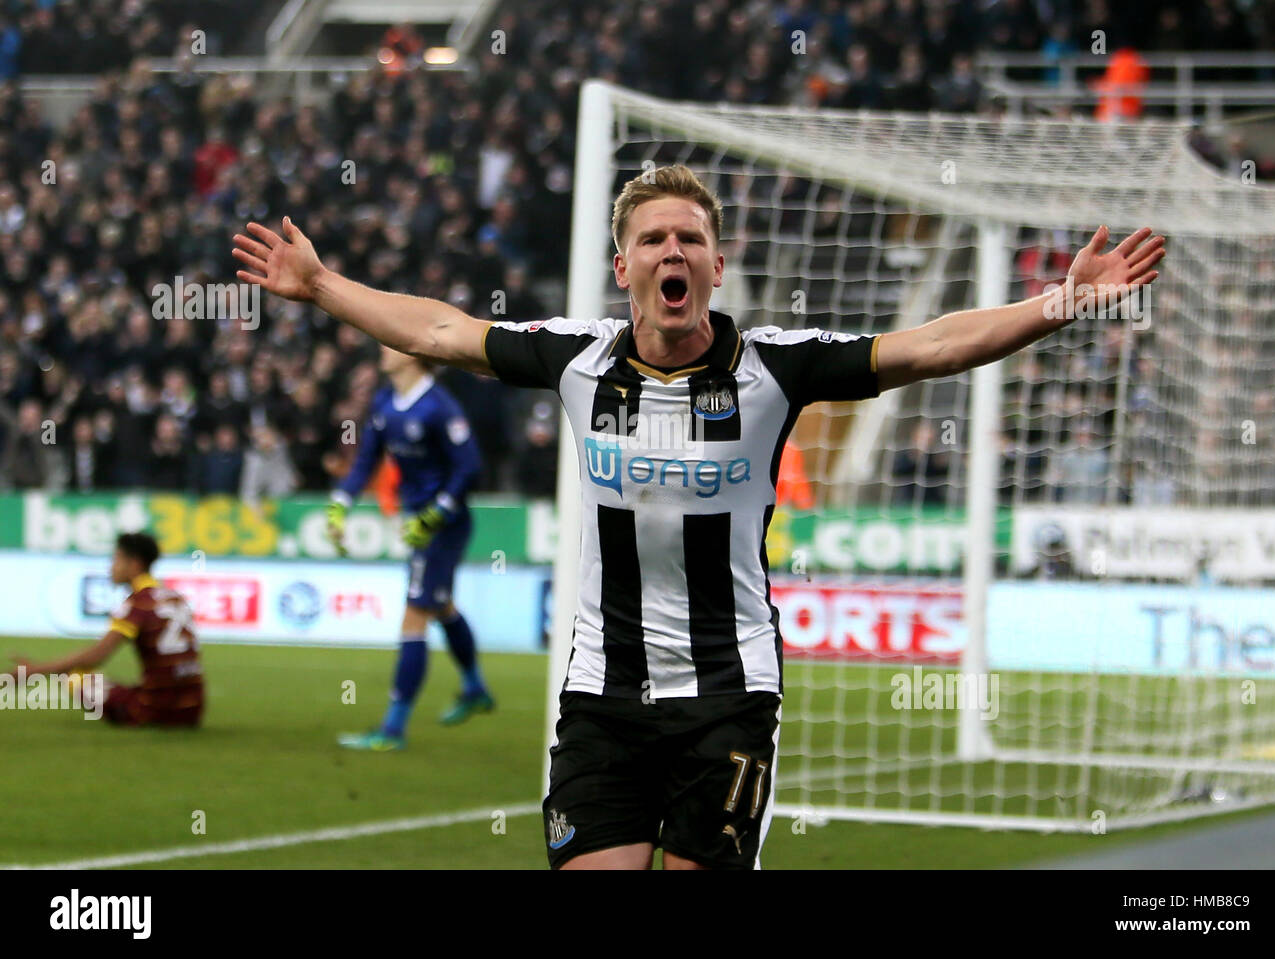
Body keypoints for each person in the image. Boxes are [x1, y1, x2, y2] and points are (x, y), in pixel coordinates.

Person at [233, 164, 1164, 869]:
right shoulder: (576, 359)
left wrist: (1062, 300)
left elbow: (930, 347)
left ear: (717, 263)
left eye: (688, 238)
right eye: (652, 239)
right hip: (600, 693)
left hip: (727, 691)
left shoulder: (778, 367)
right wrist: (320, 287)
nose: (671, 252)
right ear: (622, 264)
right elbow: (435, 330)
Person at [328, 345, 491, 750]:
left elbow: (469, 467)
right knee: (440, 606)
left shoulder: (439, 407)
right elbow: (367, 460)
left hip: (443, 526)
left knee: (414, 615)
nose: (381, 350)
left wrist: (435, 515)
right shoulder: (386, 401)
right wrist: (341, 503)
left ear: (411, 355)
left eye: (388, 345)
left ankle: (392, 729)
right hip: (417, 521)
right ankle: (473, 688)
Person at [6, 532, 203, 727]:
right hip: (193, 709)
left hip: (154, 709)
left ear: (134, 565)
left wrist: (35, 671)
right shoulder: (175, 597)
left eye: (116, 560)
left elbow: (96, 656)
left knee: (76, 676)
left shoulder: (138, 604)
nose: (111, 567)